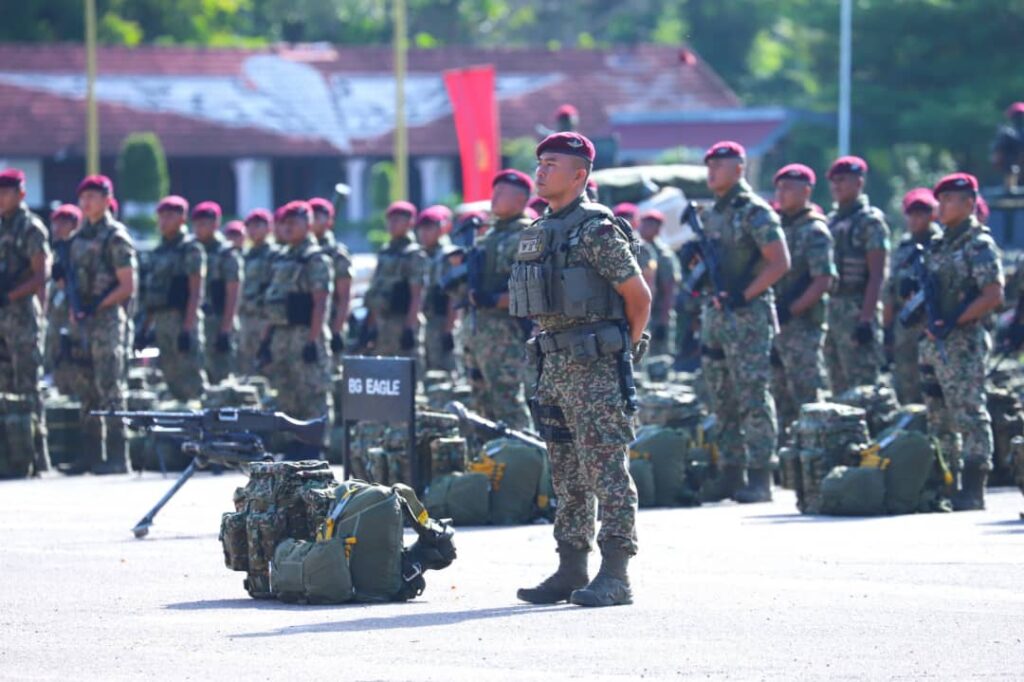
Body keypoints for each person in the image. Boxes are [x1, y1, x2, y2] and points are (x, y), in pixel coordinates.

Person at [513, 132, 650, 608]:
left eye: (552, 163)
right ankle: (571, 567)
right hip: (554, 366)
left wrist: (618, 354)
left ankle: (616, 574)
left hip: (594, 369)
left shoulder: (596, 230)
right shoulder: (542, 228)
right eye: (540, 162)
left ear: (579, 175)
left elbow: (639, 298)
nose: (541, 169)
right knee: (567, 473)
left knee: (606, 470)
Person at [695, 141, 790, 504]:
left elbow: (779, 262)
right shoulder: (711, 214)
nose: (712, 171)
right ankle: (731, 474)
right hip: (716, 314)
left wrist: (745, 294)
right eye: (709, 165)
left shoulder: (754, 211)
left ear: (739, 168)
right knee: (721, 395)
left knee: (752, 393)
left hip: (748, 316)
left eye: (719, 165)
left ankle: (761, 475)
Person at [920, 173, 1004, 511]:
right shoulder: (938, 244)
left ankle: (973, 487)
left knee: (969, 412)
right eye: (939, 199)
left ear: (969, 204)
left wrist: (954, 320)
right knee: (937, 414)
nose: (940, 206)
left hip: (964, 341)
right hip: (934, 342)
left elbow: (993, 294)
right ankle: (946, 481)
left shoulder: (978, 244)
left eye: (948, 199)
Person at [65, 175, 137, 474]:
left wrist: (98, 305)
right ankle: (91, 453)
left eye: (93, 197)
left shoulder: (115, 236)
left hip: (107, 321)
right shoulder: (76, 239)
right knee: (85, 388)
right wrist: (75, 309)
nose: (87, 203)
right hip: (83, 322)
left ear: (108, 200)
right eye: (83, 197)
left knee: (110, 386)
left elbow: (127, 285)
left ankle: (119, 456)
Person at [261, 201, 333, 454]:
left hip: (305, 334)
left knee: (311, 391)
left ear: (308, 224)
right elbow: (273, 301)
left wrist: (313, 341)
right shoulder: (280, 258)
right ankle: (292, 444)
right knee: (286, 390)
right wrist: (265, 341)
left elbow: (320, 303)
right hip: (281, 334)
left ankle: (314, 445)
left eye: (294, 222)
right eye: (285, 223)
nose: (288, 227)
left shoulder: (315, 259)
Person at [770, 164, 835, 431]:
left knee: (805, 392)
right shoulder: (777, 227)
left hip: (802, 325)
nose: (781, 193)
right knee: (779, 394)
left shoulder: (815, 231)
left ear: (806, 191)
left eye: (788, 188)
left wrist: (792, 309)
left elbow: (823, 280)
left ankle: (815, 453)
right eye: (779, 187)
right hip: (776, 323)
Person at [469, 170, 535, 429]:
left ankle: (525, 458)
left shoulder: (528, 235)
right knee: (481, 402)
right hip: (480, 331)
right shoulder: (488, 236)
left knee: (507, 401)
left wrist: (494, 299)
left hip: (508, 331)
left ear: (520, 199)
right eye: (493, 192)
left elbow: (533, 289)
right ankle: (490, 463)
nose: (493, 198)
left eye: (501, 193)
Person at [823, 156, 890, 395]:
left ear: (859, 183)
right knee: (836, 384)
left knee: (862, 387)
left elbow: (877, 275)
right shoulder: (831, 222)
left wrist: (866, 319)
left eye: (842, 180)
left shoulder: (870, 222)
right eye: (833, 181)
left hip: (858, 308)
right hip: (833, 311)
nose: (836, 186)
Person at [0, 168, 52, 474]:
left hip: (21, 316)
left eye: (7, 192)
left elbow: (41, 273)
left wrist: (11, 295)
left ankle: (37, 457)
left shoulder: (31, 228)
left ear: (21, 194)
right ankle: (11, 456)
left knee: (28, 385)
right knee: (4, 386)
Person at [138, 195, 207, 400]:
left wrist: (187, 328)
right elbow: (152, 293)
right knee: (169, 374)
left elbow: (195, 291)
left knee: (189, 374)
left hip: (182, 318)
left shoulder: (190, 248)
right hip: (161, 320)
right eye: (161, 216)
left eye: (170, 216)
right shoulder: (158, 251)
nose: (164, 221)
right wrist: (145, 328)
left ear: (182, 218)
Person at [883, 188, 942, 405]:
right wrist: (887, 328)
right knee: (906, 379)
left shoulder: (941, 243)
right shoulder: (904, 246)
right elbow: (890, 288)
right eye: (912, 213)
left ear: (932, 214)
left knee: (934, 381)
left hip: (933, 323)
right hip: (905, 322)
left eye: (922, 213)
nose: (916, 219)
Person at [364, 201, 426, 359]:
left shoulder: (413, 254)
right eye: (390, 220)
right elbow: (376, 288)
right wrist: (370, 324)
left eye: (397, 220)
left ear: (410, 222)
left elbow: (416, 295)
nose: (392, 224)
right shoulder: (385, 251)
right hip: (383, 321)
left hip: (402, 320)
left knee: (407, 372)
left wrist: (409, 328)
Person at [192, 201, 242, 385]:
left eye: (204, 223)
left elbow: (233, 293)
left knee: (221, 376)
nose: (199, 228)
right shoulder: (192, 250)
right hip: (198, 321)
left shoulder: (226, 253)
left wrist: (226, 330)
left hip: (218, 320)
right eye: (196, 223)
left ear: (215, 224)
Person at [309, 197, 352, 368]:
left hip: (329, 323)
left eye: (317, 217)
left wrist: (336, 330)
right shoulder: (300, 252)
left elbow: (345, 297)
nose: (313, 222)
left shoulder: (336, 254)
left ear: (329, 221)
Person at [416, 206, 459, 373]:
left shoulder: (449, 256)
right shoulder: (420, 255)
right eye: (421, 228)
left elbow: (454, 295)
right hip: (426, 321)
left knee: (444, 372)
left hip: (442, 321)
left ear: (442, 229)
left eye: (429, 228)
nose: (423, 233)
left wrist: (449, 329)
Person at [44, 203, 81, 396]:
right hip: (57, 314)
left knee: (73, 354)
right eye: (55, 223)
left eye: (62, 223)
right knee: (56, 352)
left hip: (74, 313)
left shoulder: (80, 248)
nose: (57, 228)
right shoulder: (56, 250)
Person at [238, 208, 277, 377]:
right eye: (249, 226)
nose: (252, 230)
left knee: (268, 361)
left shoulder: (275, 254)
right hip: (246, 315)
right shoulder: (245, 255)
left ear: (269, 228)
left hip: (265, 317)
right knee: (246, 362)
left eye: (257, 226)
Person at [637, 209, 681, 357]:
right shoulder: (634, 248)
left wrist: (663, 320)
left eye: (651, 224)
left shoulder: (664, 255)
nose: (645, 227)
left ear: (658, 228)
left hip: (658, 312)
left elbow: (669, 288)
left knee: (659, 359)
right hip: (640, 312)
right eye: (644, 223)